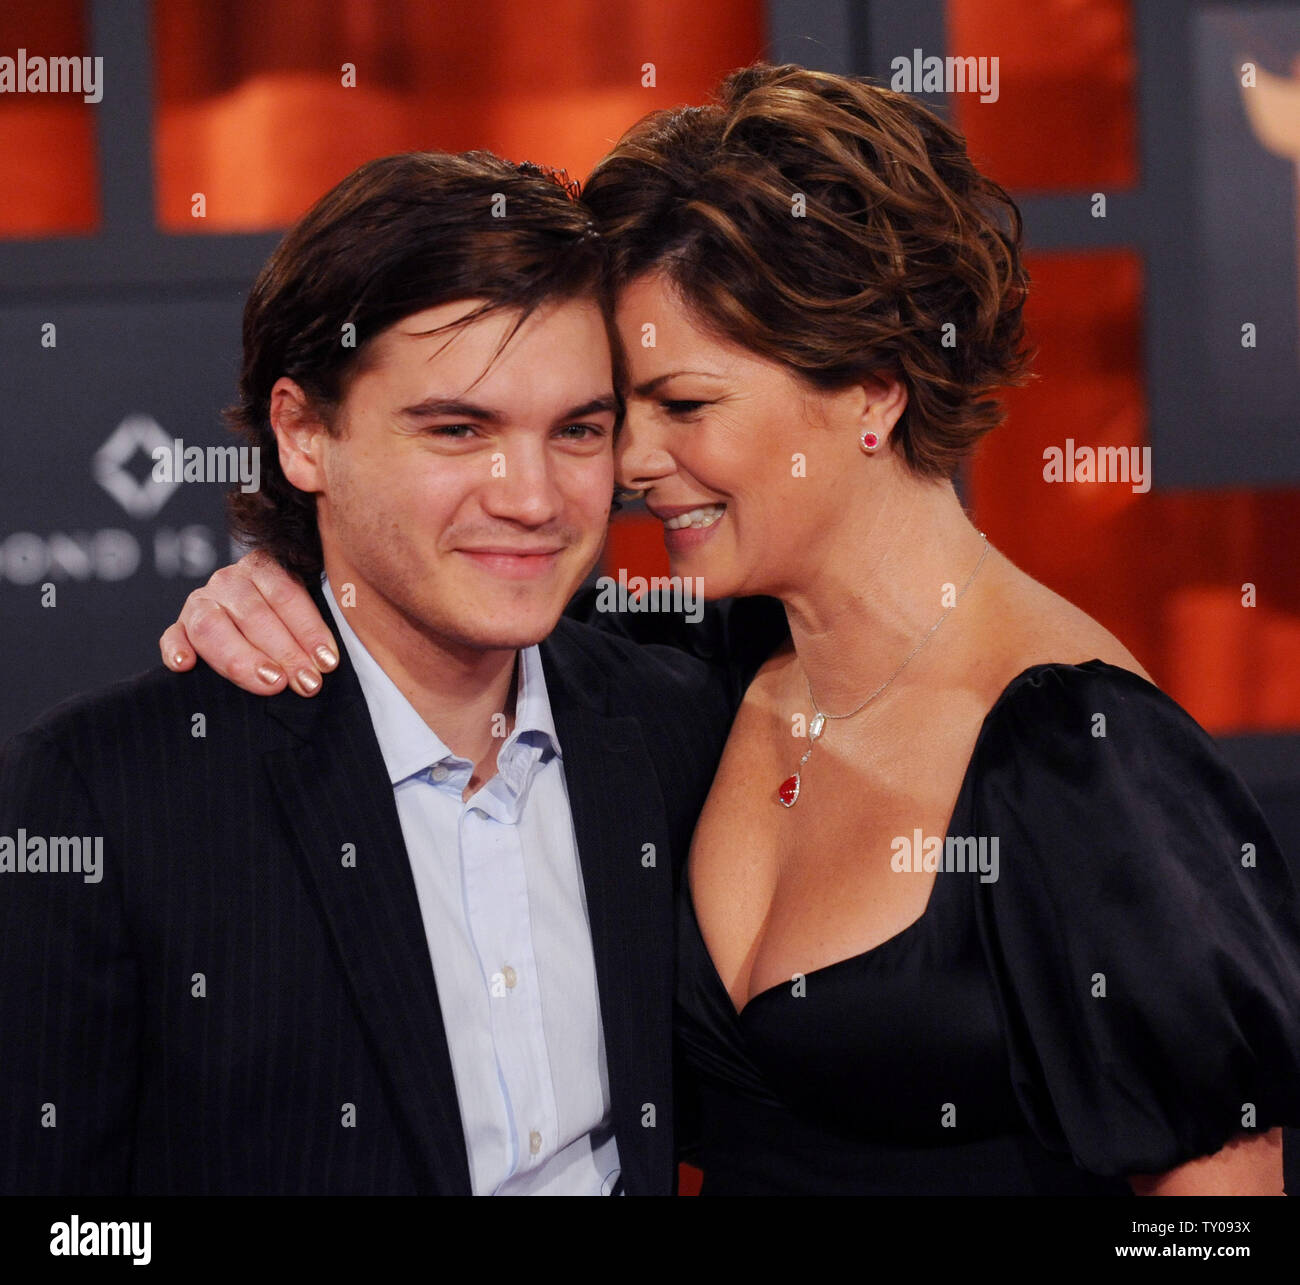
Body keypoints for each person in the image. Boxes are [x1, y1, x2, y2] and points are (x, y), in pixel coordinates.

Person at [163, 65, 1300, 1195]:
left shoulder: (1081, 757)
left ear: (872, 388)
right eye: (621, 412)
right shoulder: (689, 667)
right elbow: (420, 591)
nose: (632, 464)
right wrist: (282, 587)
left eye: (685, 406)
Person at [0, 151, 735, 1196]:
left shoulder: (673, 725)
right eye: (458, 430)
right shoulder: (104, 797)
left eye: (576, 430)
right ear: (304, 434)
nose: (533, 496)